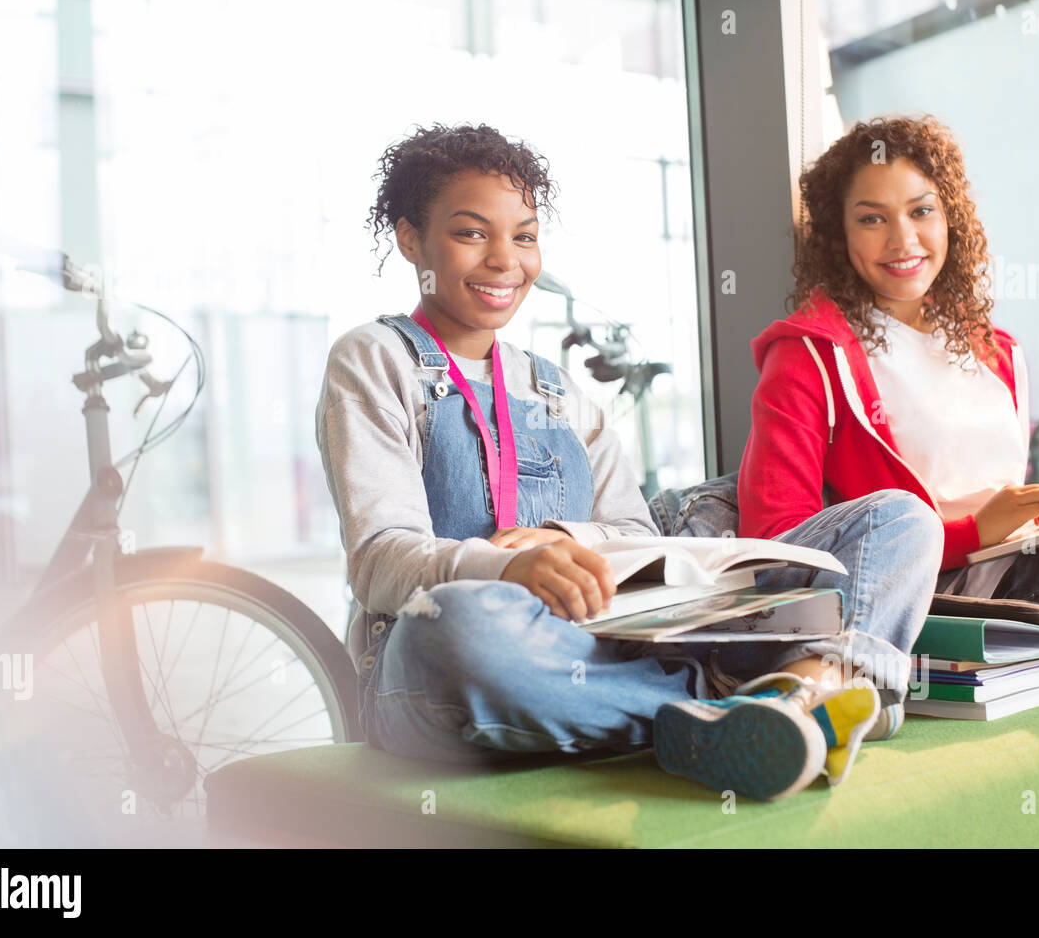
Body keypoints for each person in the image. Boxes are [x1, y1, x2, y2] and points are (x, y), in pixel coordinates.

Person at [315, 123, 942, 802]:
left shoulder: (554, 387)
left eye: (524, 236)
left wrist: (567, 541)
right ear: (411, 239)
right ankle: (774, 694)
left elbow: (635, 535)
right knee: (463, 629)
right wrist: (506, 567)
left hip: (595, 645)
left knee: (902, 520)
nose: (505, 260)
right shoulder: (375, 358)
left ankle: (773, 694)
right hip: (442, 660)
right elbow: (380, 559)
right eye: (472, 234)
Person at [739, 114, 1039, 688]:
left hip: (1032, 570)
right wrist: (971, 533)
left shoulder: (994, 350)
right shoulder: (809, 356)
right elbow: (779, 550)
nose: (903, 240)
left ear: (950, 216)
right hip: (953, 610)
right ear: (836, 234)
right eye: (872, 219)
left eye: (921, 210)